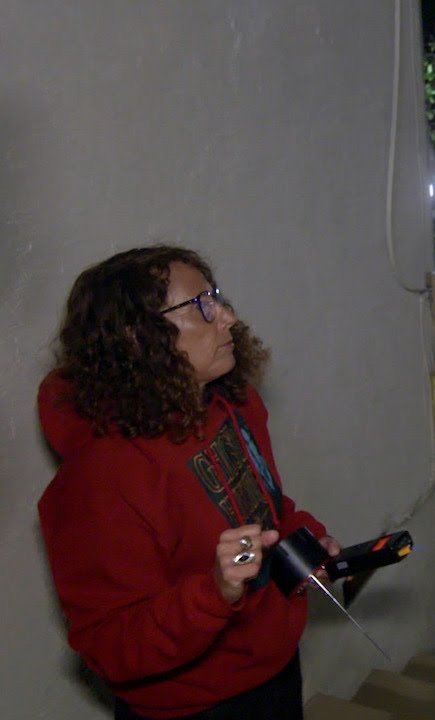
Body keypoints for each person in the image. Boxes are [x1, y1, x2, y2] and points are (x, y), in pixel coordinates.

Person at [37, 245, 341, 720]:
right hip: (194, 706)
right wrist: (216, 592)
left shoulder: (233, 403)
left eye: (216, 297)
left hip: (273, 668)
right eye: (201, 306)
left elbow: (263, 509)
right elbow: (109, 645)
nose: (229, 318)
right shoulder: (99, 479)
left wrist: (303, 540)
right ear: (139, 337)